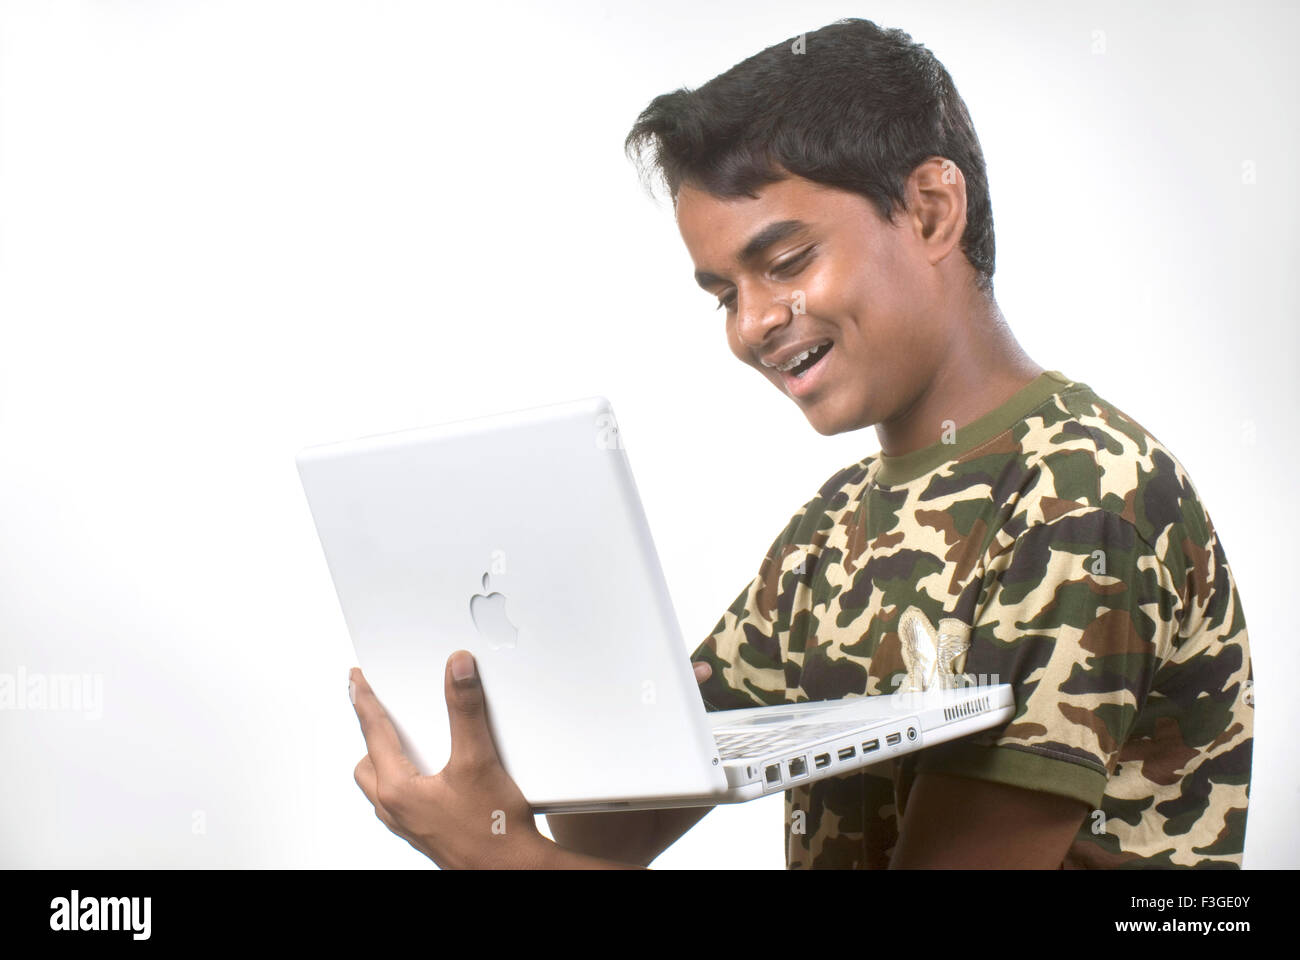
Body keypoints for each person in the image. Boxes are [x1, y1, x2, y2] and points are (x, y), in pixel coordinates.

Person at [348, 17, 1253, 869]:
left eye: (784, 263)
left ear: (933, 211)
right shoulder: (827, 534)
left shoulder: (1086, 496)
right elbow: (609, 832)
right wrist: (491, 777)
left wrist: (504, 856)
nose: (752, 324)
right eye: (722, 292)